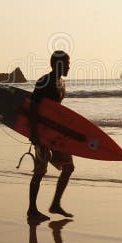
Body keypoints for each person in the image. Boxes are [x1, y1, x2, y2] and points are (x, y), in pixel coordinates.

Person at [27, 50, 73, 223]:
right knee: (40, 171)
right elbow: (33, 107)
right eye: (67, 64)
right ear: (57, 64)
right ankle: (32, 211)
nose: (69, 66)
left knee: (69, 167)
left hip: (55, 134)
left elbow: (57, 111)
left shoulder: (61, 83)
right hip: (41, 132)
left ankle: (55, 204)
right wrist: (34, 133)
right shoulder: (44, 82)